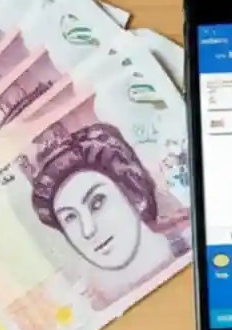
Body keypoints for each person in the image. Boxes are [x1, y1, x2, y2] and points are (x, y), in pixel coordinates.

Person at [29, 122, 180, 309]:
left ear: (134, 193)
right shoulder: (90, 309)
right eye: (70, 218)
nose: (88, 230)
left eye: (97, 203)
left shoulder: (198, 247)